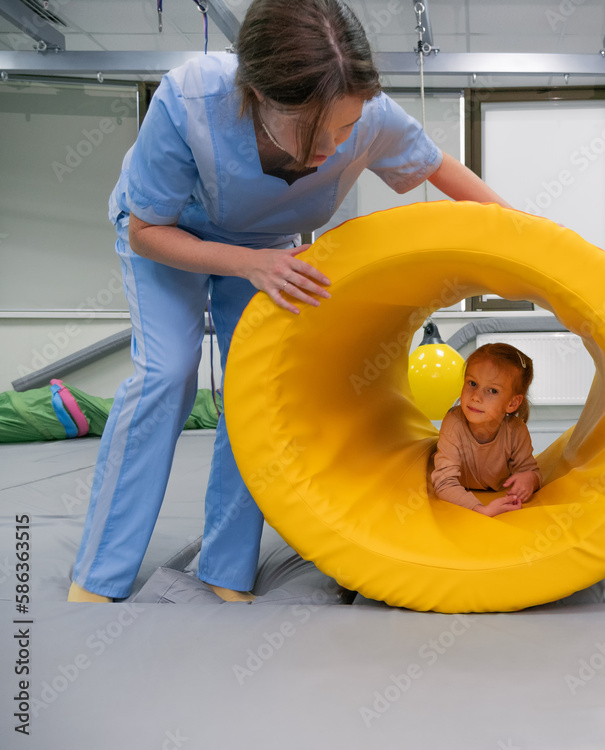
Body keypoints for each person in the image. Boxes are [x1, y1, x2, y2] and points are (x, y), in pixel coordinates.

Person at [69, 0, 510, 603]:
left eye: (346, 128)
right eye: (314, 130)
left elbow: (445, 174)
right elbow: (147, 229)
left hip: (268, 248)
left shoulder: (372, 115)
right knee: (166, 374)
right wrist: (246, 264)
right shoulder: (190, 101)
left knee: (257, 394)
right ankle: (100, 574)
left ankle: (226, 570)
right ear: (256, 97)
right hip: (168, 233)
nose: (334, 144)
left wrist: (529, 245)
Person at [431, 343, 542, 517]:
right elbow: (444, 482)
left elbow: (530, 471)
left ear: (512, 403)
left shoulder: (516, 430)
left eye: (492, 390)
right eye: (472, 383)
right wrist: (480, 509)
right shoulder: (454, 423)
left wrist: (530, 479)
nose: (476, 396)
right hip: (463, 493)